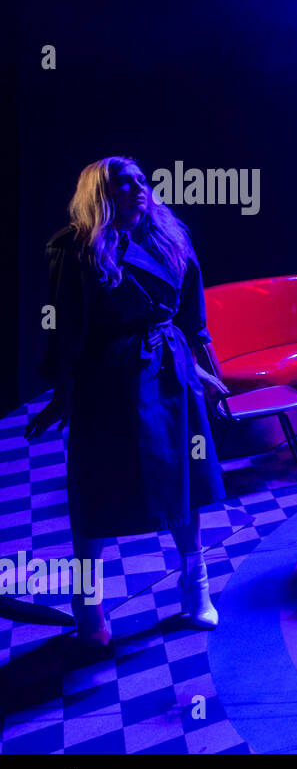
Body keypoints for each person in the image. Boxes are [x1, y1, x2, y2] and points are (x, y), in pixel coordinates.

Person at [24, 156, 227, 646]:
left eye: (141, 180)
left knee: (187, 480)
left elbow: (194, 321)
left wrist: (209, 375)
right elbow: (66, 330)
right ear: (100, 192)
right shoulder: (74, 246)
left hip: (172, 372)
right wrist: (63, 392)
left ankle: (194, 584)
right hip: (108, 377)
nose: (138, 188)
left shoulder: (170, 237)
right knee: (95, 487)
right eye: (123, 182)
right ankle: (88, 606)